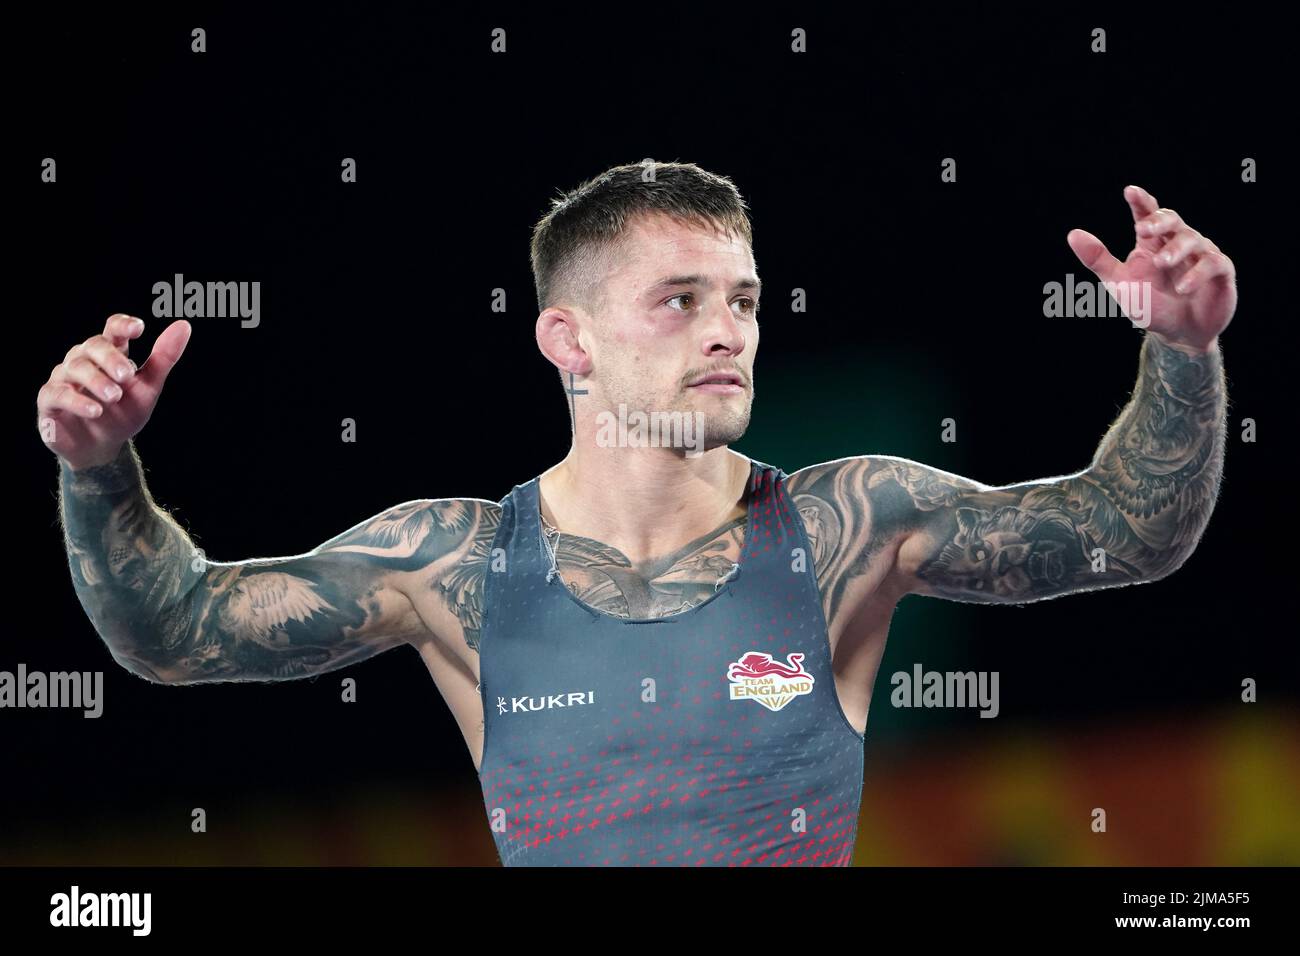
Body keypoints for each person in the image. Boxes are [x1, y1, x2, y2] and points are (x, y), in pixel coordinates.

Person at [40, 162, 1232, 866]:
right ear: (570, 338)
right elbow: (175, 630)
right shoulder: (450, 562)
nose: (728, 329)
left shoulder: (846, 525)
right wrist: (98, 467)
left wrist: (1183, 349)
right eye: (679, 299)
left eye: (744, 300)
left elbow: (1127, 529)